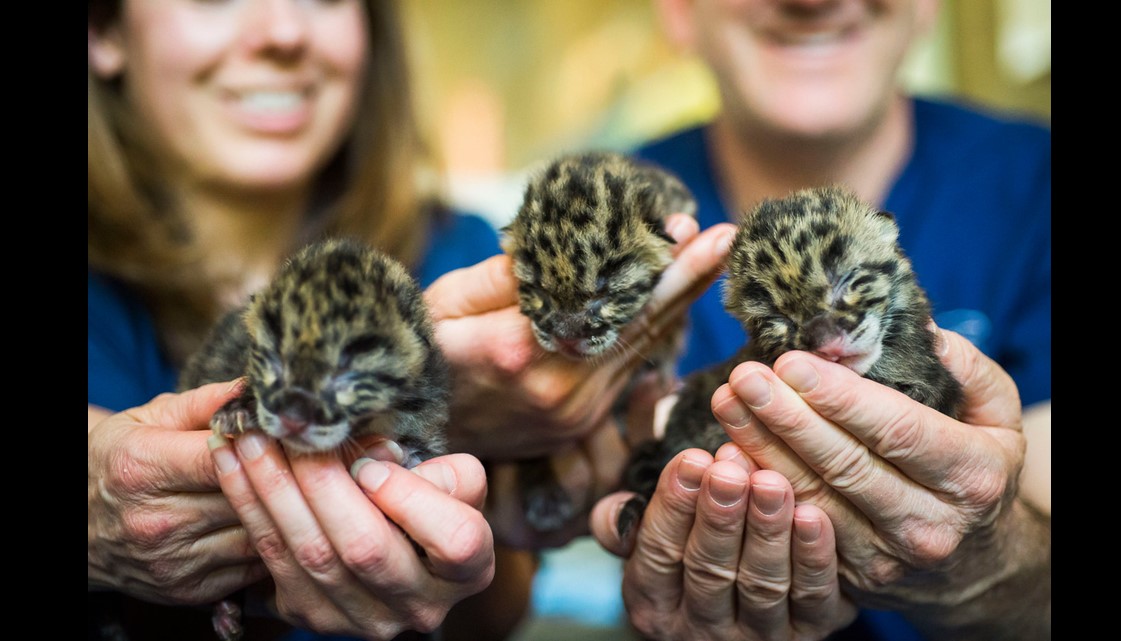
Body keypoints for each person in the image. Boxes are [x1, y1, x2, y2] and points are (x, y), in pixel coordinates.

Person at [87, 0, 730, 639]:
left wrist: (489, 498)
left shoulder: (460, 252)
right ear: (103, 30)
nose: (282, 32)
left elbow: (489, 609)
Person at [587, 0, 1051, 639]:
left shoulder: (1034, 185)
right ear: (677, 10)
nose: (812, 2)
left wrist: (1005, 567)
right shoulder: (603, 221)